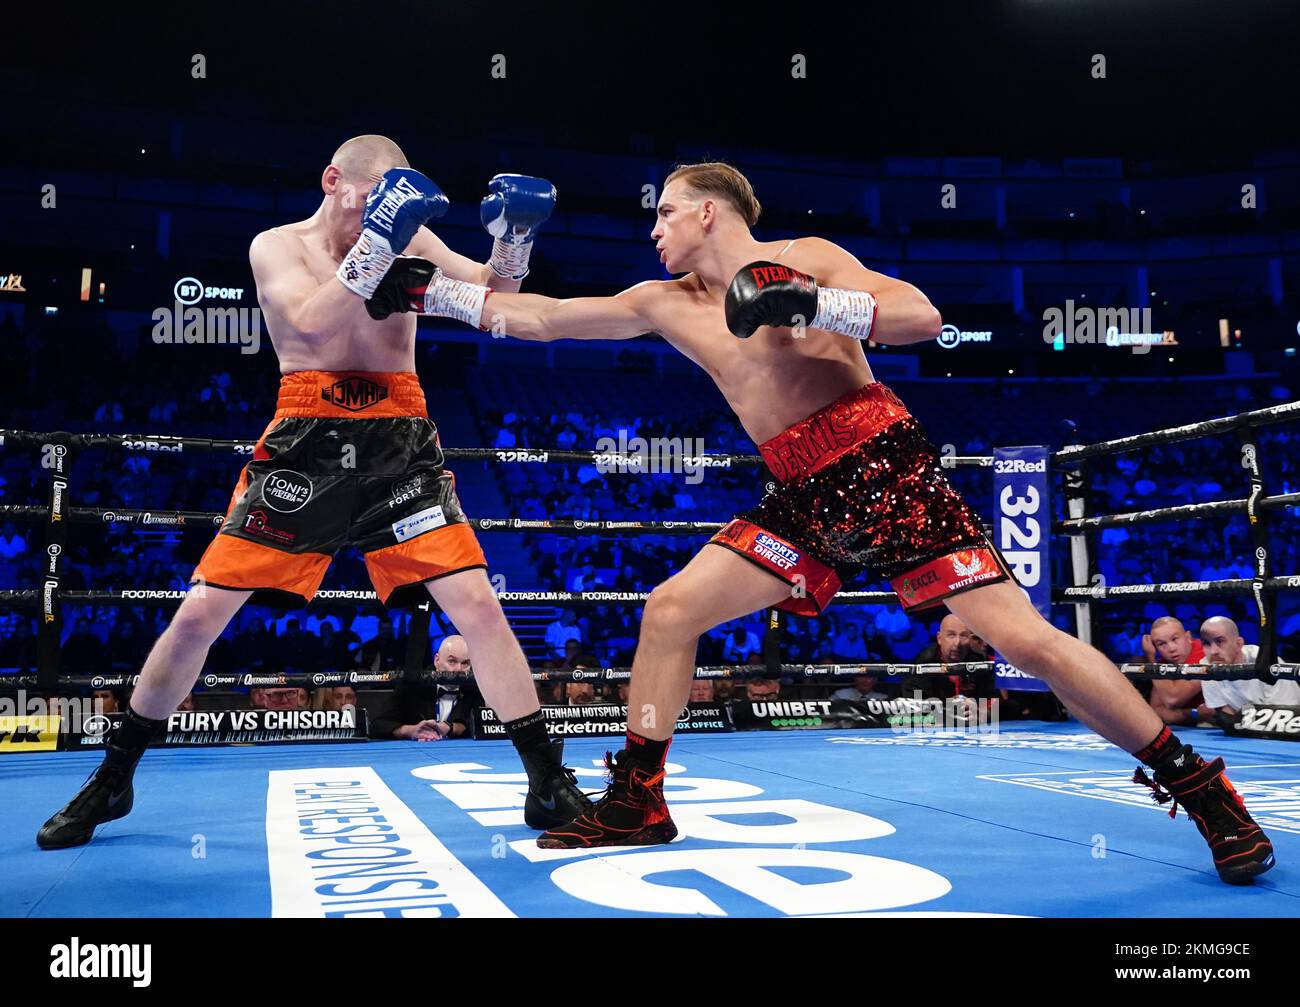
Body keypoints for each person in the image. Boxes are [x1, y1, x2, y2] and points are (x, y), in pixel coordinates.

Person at [390, 161, 1272, 882]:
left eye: (663, 212)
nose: (651, 229)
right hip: (798, 492)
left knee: (1024, 640)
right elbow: (536, 319)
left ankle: (1201, 788)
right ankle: (640, 799)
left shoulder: (804, 252)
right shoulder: (661, 302)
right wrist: (446, 276)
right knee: (670, 610)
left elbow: (922, 317)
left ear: (706, 212)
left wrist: (810, 303)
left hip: (881, 464)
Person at [37, 135, 589, 850]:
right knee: (203, 610)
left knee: (479, 604)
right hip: (306, 441)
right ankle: (113, 777)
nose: (380, 222)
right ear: (334, 181)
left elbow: (496, 304)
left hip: (399, 439)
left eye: (391, 211)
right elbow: (310, 324)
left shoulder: (409, 230)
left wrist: (512, 241)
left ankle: (546, 780)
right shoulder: (276, 246)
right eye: (371, 206)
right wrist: (383, 237)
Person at [369, 635, 482, 740]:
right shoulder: (414, 685)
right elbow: (377, 725)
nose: (458, 670)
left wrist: (451, 728)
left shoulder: (476, 688)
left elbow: (486, 725)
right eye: (452, 661)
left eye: (465, 663)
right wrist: (410, 731)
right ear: (437, 661)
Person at [1196, 617, 1300, 724]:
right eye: (1206, 643)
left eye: (1220, 641)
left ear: (1239, 644)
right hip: (1245, 730)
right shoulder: (1206, 665)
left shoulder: (1267, 662)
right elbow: (1226, 714)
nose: (1213, 651)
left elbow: (1285, 714)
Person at [1144, 616, 1207, 726]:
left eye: (1174, 639)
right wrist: (1195, 714)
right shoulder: (1164, 662)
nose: (1171, 648)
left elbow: (1172, 699)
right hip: (1193, 728)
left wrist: (1151, 660)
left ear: (1188, 636)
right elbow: (1157, 710)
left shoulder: (1204, 655)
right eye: (1162, 644)